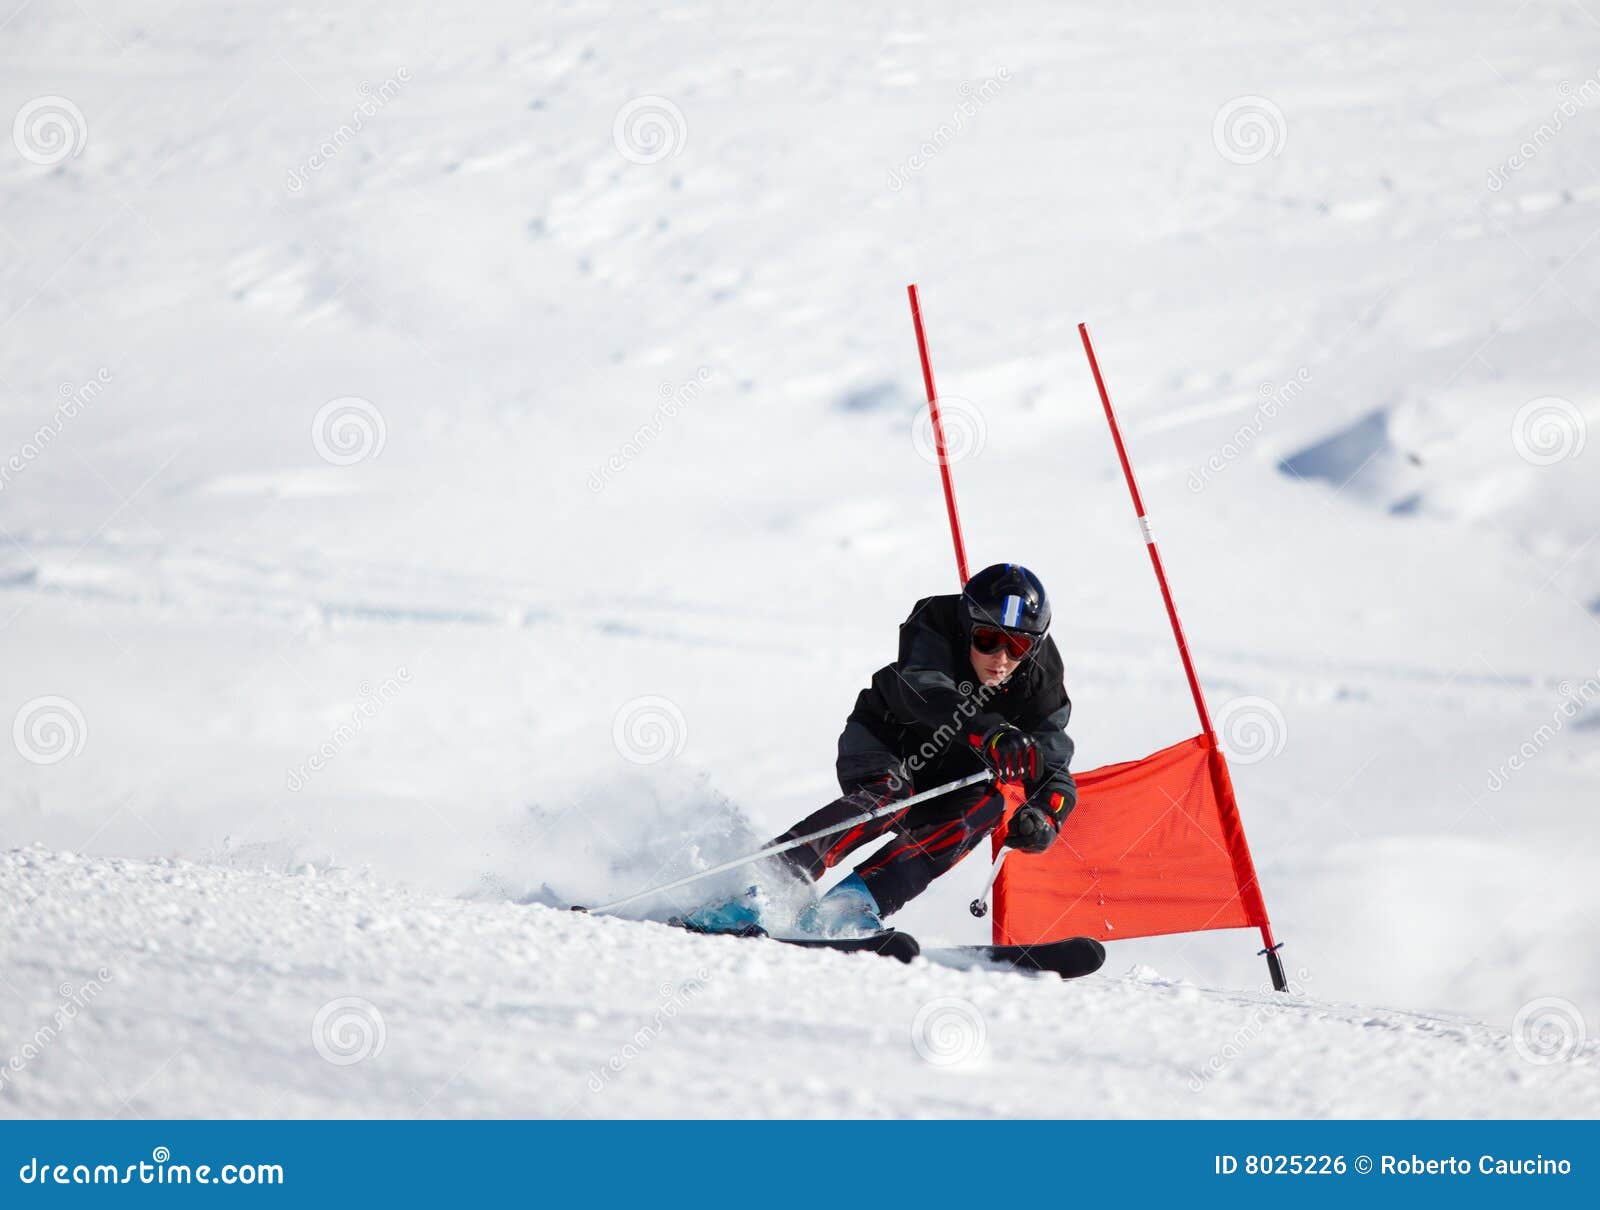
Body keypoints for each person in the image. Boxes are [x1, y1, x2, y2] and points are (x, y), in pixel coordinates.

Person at [684, 563, 1077, 937]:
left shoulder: (1042, 681)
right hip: (885, 740)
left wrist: (1047, 815)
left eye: (1018, 646)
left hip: (951, 777)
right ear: (966, 626)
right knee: (891, 794)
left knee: (987, 806)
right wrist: (988, 731)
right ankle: (759, 883)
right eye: (987, 640)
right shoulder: (935, 623)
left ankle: (849, 906)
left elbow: (1053, 768)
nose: (1001, 659)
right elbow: (926, 692)